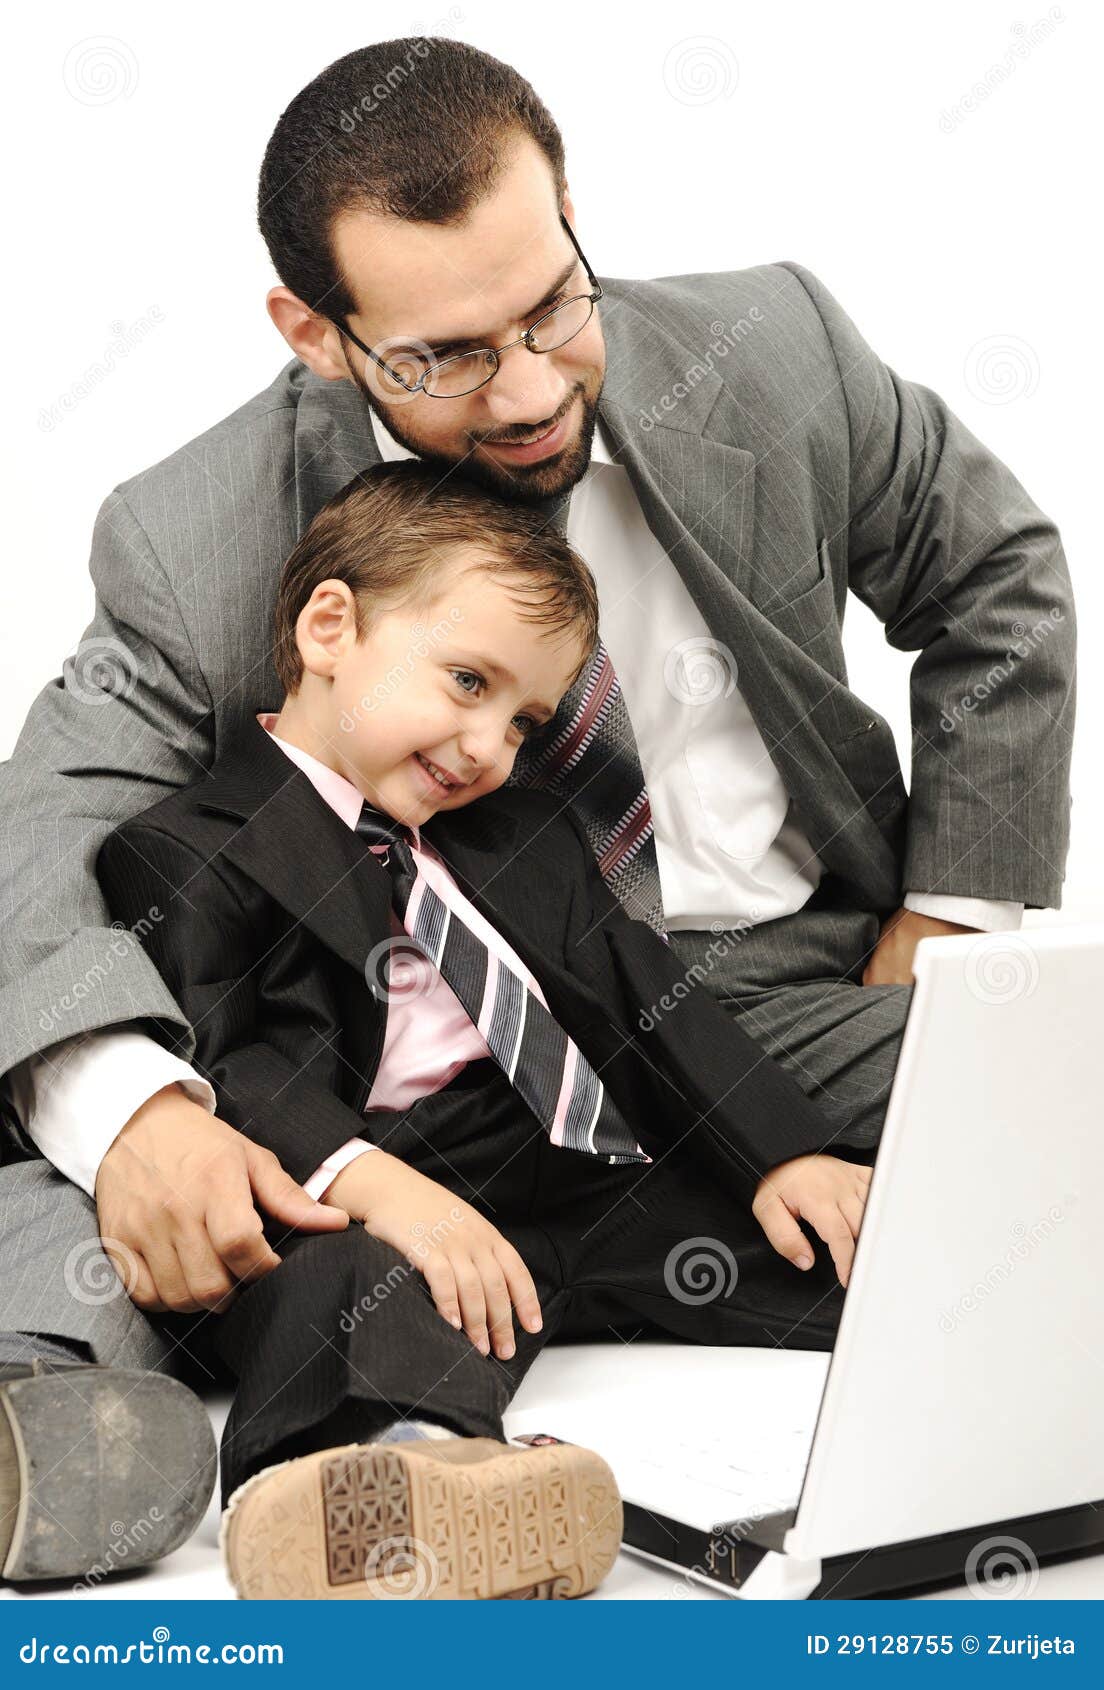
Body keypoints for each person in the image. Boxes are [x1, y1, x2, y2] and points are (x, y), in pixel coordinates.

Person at [0, 37, 1074, 1581]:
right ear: (318, 331)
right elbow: (45, 821)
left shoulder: (774, 348)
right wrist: (136, 1115)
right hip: (384, 1081)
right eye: (443, 356)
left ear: (571, 214)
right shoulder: (195, 535)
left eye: (552, 306)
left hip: (769, 991)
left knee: (1038, 1101)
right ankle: (111, 1432)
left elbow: (997, 579)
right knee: (120, 1160)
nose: (528, 388)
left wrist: (946, 924)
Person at [95, 459, 873, 1599]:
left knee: (843, 1245)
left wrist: (783, 1150)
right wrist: (377, 1186)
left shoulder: (524, 834)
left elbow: (645, 995)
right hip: (366, 1185)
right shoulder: (191, 844)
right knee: (346, 1291)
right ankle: (400, 1487)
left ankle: (1004, 1358)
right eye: (467, 681)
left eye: (523, 722)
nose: (487, 747)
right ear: (329, 628)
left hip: (570, 1176)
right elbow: (228, 1066)